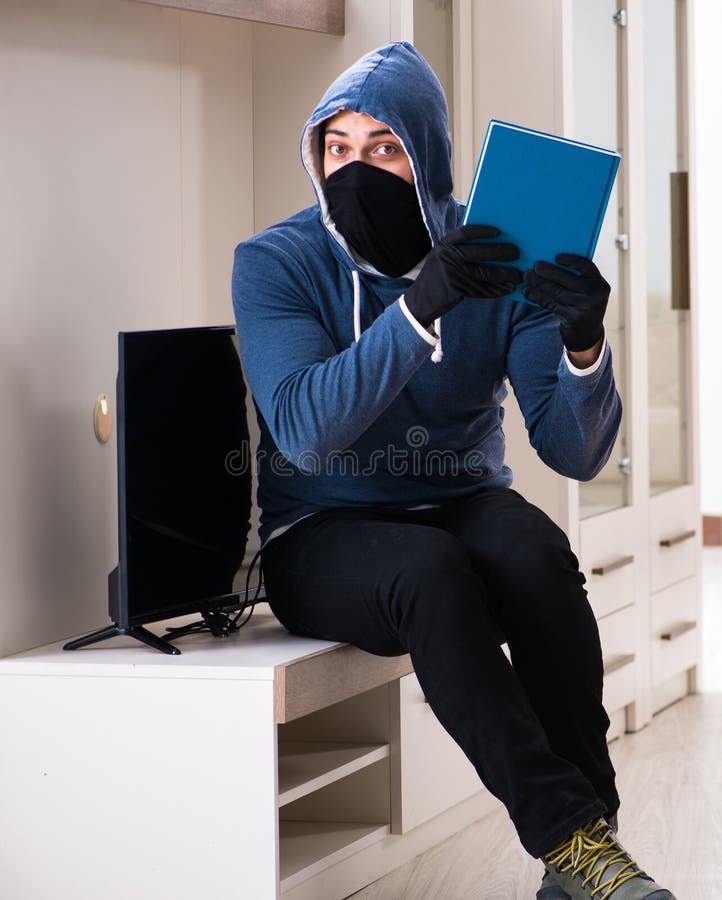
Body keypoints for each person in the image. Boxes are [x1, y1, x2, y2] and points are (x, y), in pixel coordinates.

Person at [232, 41, 674, 900]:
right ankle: (575, 843)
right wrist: (420, 307)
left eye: (384, 148)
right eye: (337, 148)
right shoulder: (276, 261)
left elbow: (573, 453)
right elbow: (307, 434)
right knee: (430, 569)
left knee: (534, 551)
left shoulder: (496, 252)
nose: (355, 169)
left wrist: (585, 346)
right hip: (319, 528)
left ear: (427, 155)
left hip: (463, 498)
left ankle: (589, 851)